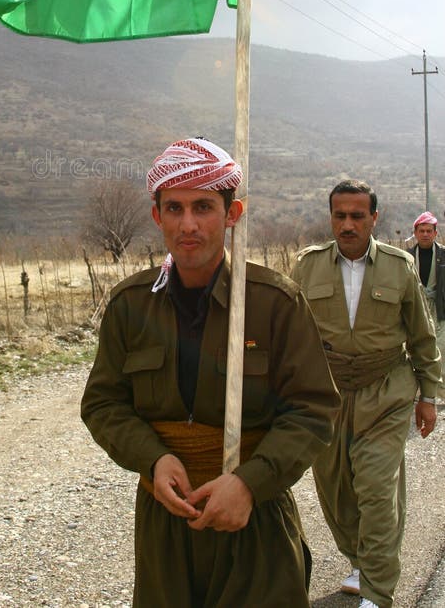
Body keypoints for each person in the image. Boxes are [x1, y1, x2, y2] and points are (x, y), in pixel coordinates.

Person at [81, 137, 340, 608]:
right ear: (157, 215)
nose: (189, 224)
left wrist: (249, 483)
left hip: (254, 520)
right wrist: (153, 460)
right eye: (174, 208)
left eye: (204, 206)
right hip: (165, 528)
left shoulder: (274, 304)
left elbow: (314, 410)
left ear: (232, 213)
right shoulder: (129, 306)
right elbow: (102, 404)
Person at [291, 180, 440, 608]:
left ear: (375, 218)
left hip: (386, 391)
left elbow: (422, 335)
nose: (348, 224)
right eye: (340, 216)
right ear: (331, 218)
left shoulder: (399, 266)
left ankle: (377, 591)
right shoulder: (308, 267)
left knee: (377, 489)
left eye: (358, 216)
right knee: (336, 488)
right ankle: (358, 559)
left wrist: (428, 395)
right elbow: (291, 334)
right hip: (329, 394)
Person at [407, 211, 445, 401]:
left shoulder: (443, 255)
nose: (425, 234)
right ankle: (415, 394)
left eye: (429, 231)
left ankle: (441, 394)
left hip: (439, 310)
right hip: (415, 310)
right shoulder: (406, 258)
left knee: (441, 349)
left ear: (435, 233)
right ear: (415, 232)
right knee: (414, 350)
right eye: (421, 230)